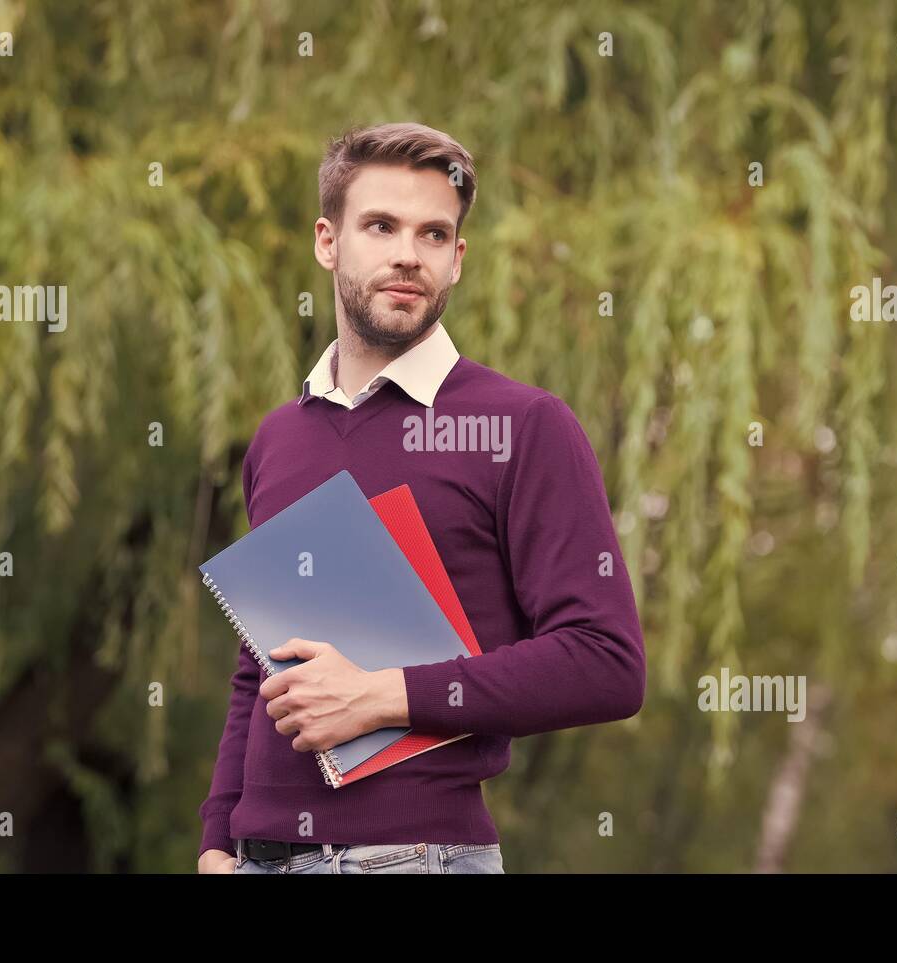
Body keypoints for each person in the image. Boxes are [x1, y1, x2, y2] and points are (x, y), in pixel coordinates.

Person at [196, 122, 645, 875]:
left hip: (417, 857)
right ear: (327, 241)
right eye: (381, 226)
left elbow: (606, 662)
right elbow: (260, 667)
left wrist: (386, 695)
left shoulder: (523, 425)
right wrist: (217, 837)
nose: (409, 253)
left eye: (434, 233)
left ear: (457, 259)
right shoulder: (279, 438)